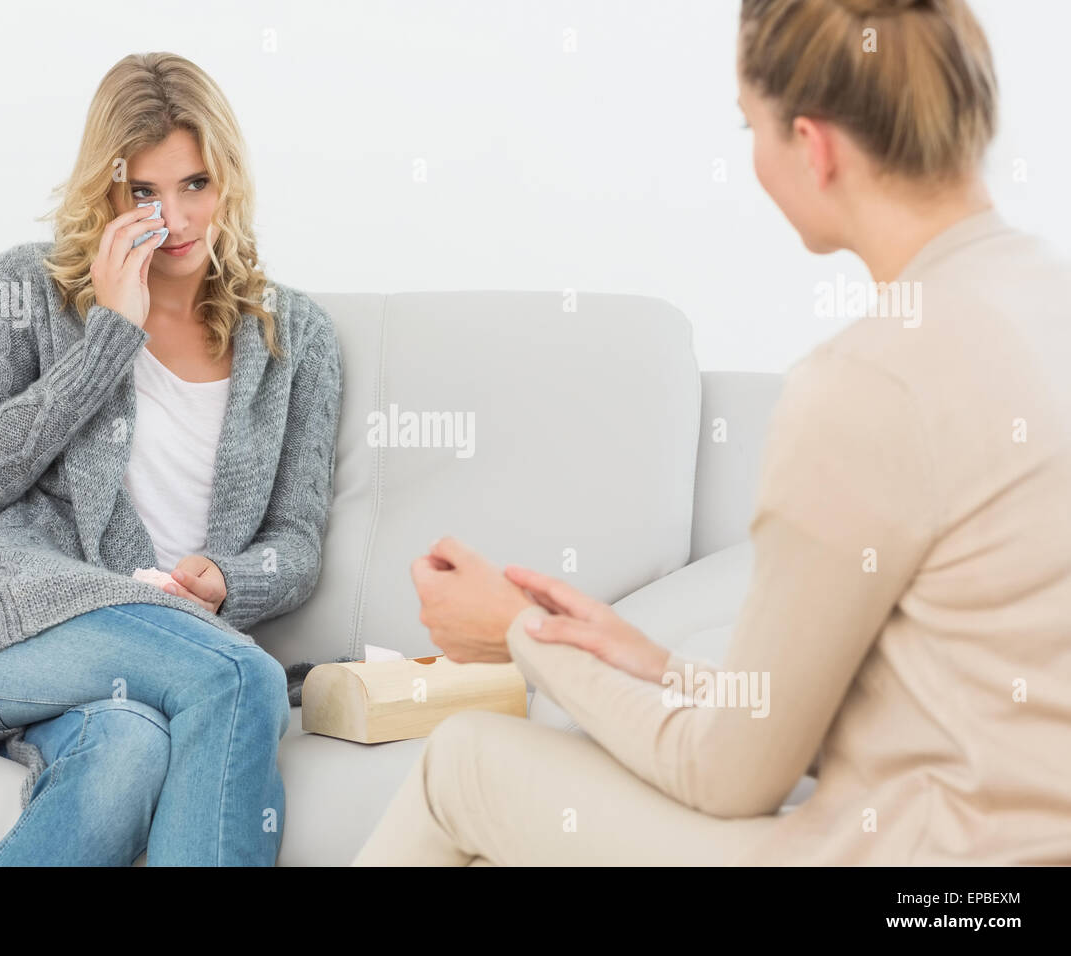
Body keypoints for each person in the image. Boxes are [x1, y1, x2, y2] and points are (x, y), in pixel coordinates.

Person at [353, 0, 1071, 865]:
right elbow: (898, 700)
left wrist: (520, 638)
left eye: (749, 126)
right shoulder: (1045, 304)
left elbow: (733, 778)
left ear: (813, 147)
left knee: (463, 765)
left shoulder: (864, 385)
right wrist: (650, 664)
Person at [0, 52, 344, 866]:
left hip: (134, 667)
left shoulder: (292, 338)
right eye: (144, 193)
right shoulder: (29, 288)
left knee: (130, 748)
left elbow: (297, 539)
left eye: (195, 184)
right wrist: (107, 340)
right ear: (107, 190)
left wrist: (233, 581)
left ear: (229, 179)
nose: (175, 219)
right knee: (240, 678)